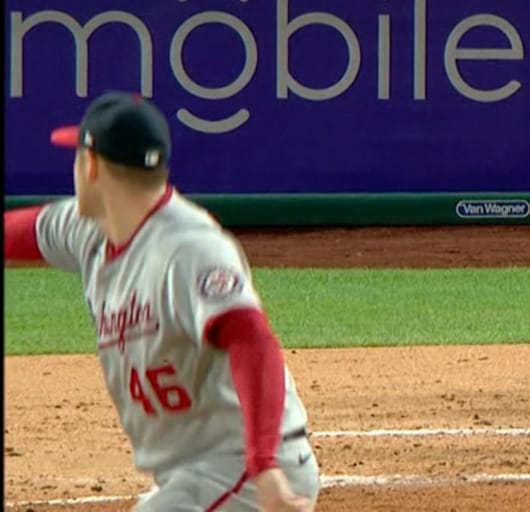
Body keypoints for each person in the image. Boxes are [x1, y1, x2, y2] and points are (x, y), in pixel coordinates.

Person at [3, 93, 319, 509]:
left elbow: (252, 340)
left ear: (92, 165)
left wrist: (263, 465)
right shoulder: (87, 229)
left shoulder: (189, 247)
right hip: (202, 471)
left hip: (245, 470)